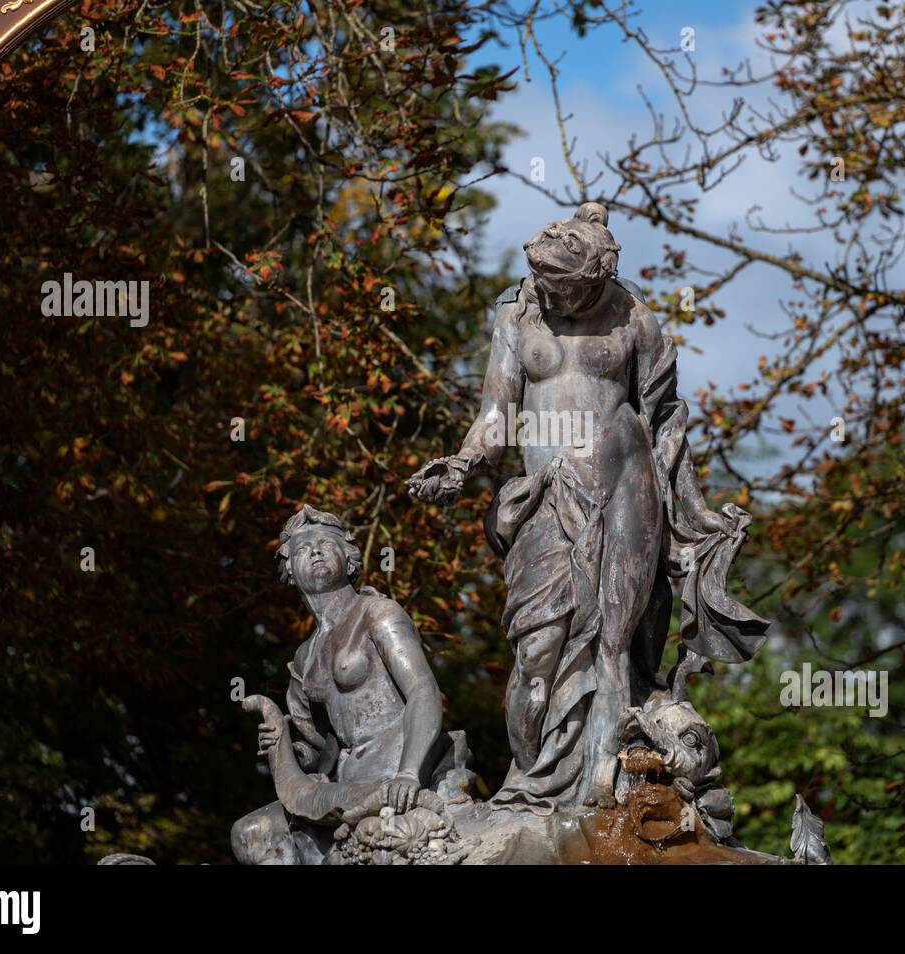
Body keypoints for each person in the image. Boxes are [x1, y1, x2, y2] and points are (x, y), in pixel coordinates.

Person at [408, 202, 767, 810]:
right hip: (546, 496)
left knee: (615, 641)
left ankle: (603, 783)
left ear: (594, 280)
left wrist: (690, 513)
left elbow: (663, 418)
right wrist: (464, 463)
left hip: (626, 486)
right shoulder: (516, 314)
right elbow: (498, 414)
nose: (550, 298)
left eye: (564, 289)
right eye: (543, 285)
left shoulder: (634, 317)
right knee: (537, 649)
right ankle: (533, 776)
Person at [231, 506, 469, 864]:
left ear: (350, 559)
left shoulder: (377, 613)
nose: (314, 551)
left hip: (396, 764)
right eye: (301, 549)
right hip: (343, 781)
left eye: (326, 543)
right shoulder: (304, 656)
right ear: (290, 572)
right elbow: (324, 746)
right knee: (251, 833)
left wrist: (409, 772)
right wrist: (288, 749)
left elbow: (423, 690)